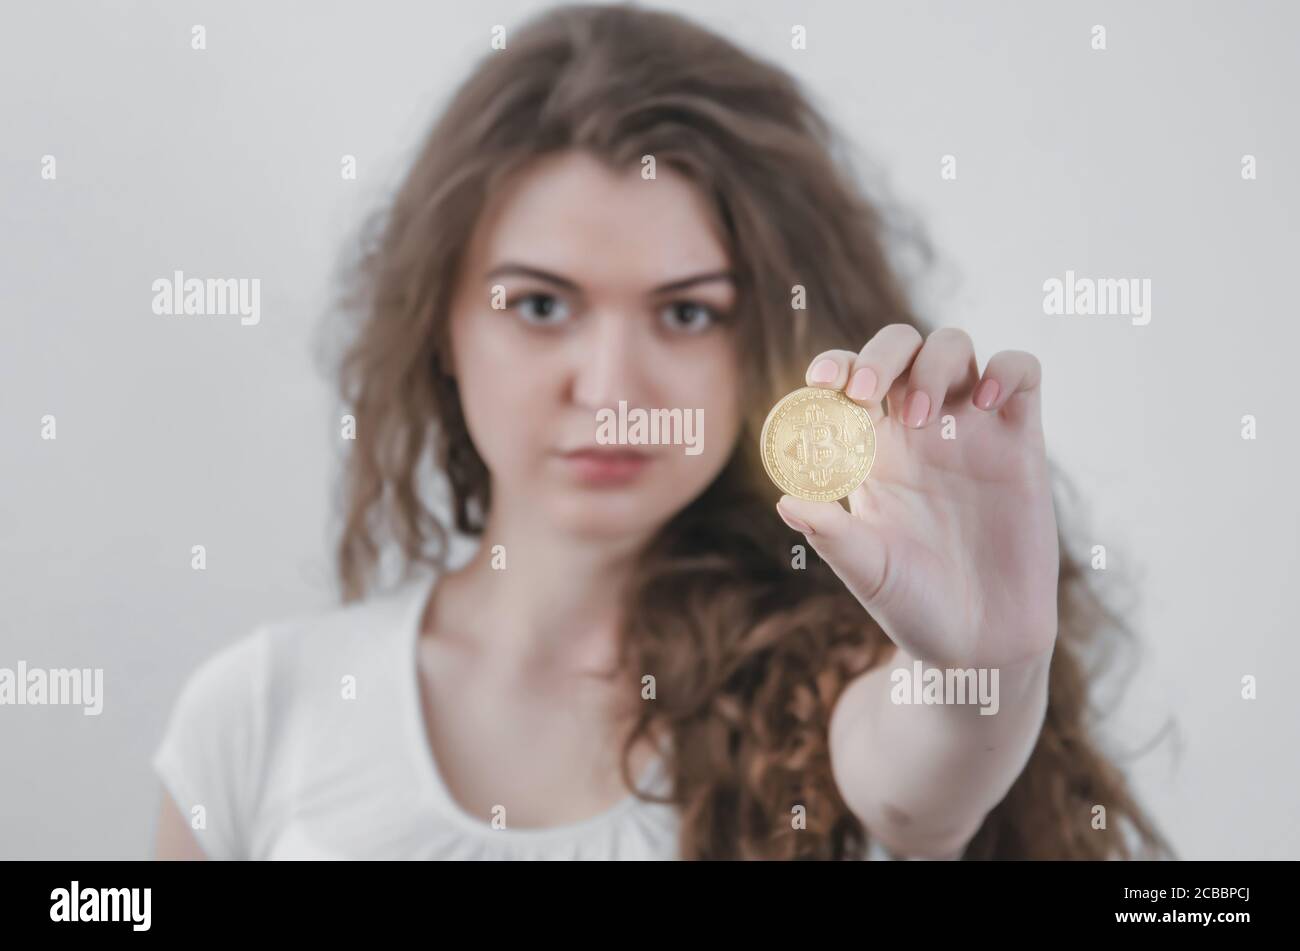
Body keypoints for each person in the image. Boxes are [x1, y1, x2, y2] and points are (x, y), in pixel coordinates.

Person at [153, 3, 1171, 860]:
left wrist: (982, 675)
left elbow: (919, 789)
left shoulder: (831, 677)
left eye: (686, 313)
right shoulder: (257, 712)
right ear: (441, 327)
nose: (611, 389)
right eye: (541, 306)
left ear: (761, 335)